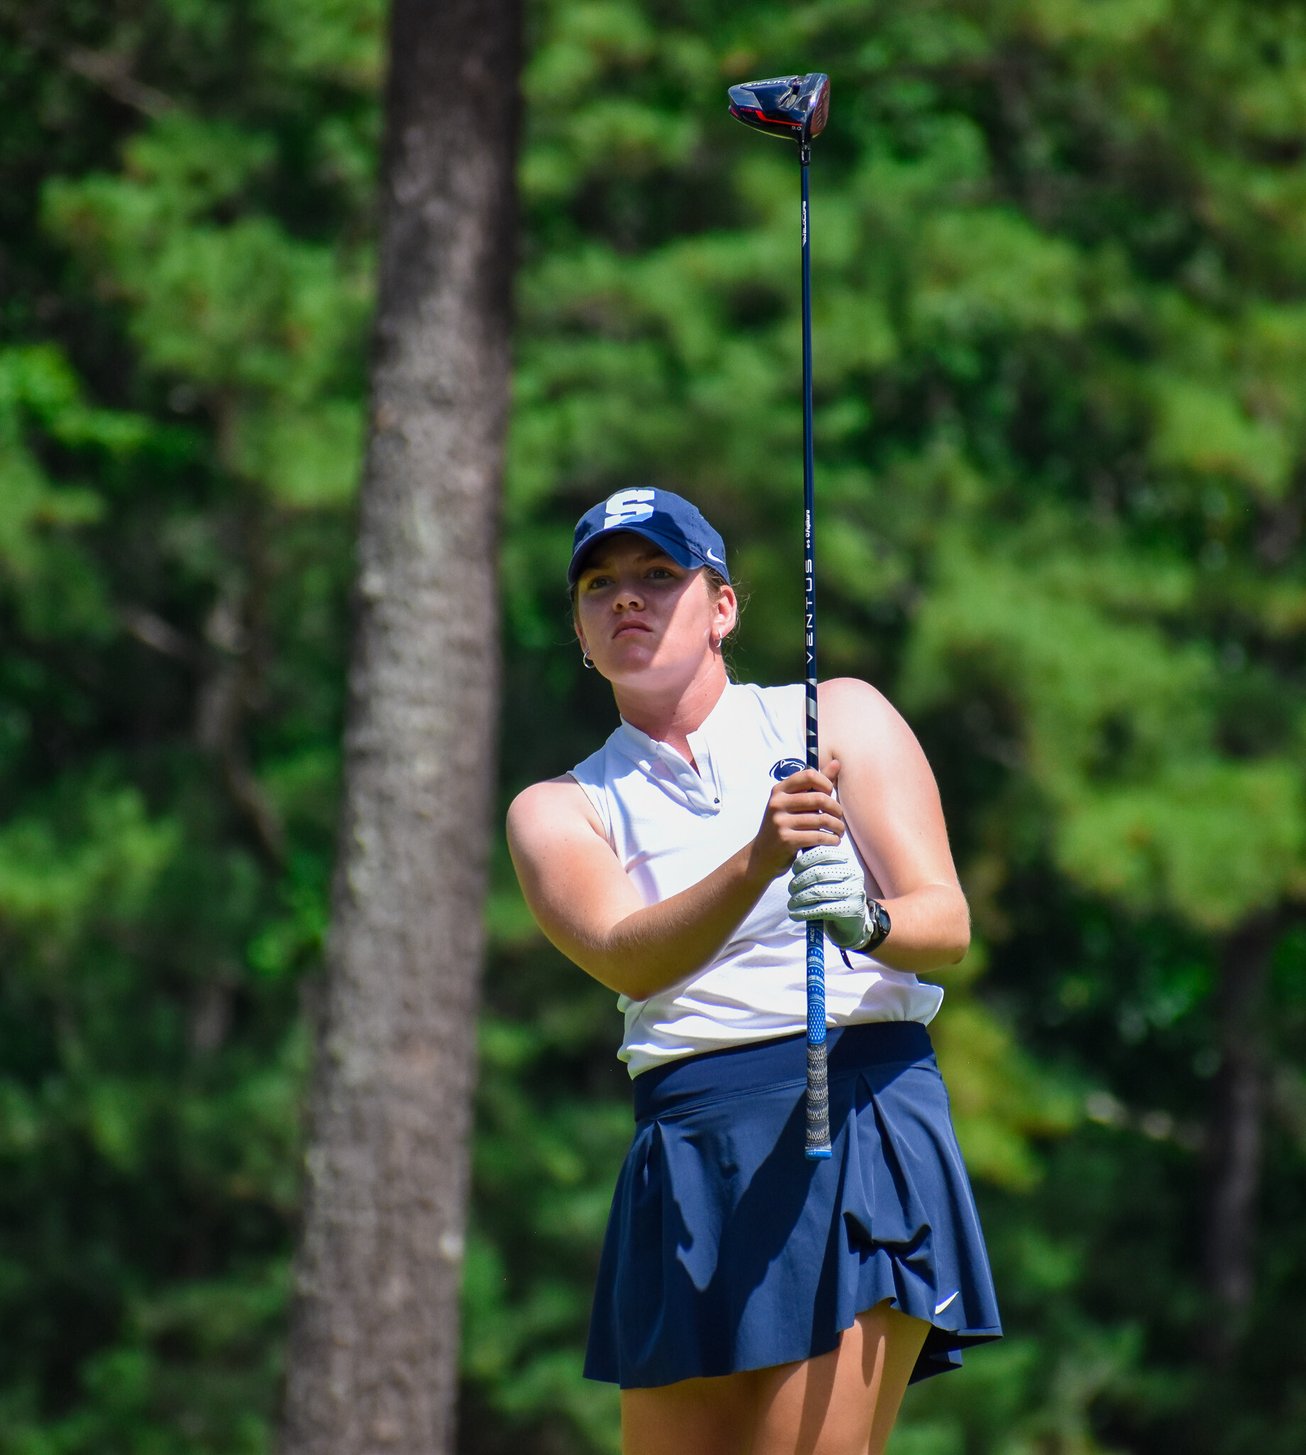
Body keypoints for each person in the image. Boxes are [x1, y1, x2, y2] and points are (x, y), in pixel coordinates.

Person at [507, 487, 1001, 1455]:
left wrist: (863, 917)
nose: (628, 601)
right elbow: (624, 954)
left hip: (852, 1114)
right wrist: (756, 863)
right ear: (577, 628)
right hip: (686, 1147)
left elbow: (943, 923)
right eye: (599, 586)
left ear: (722, 605)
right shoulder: (558, 806)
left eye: (659, 575)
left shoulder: (836, 718)